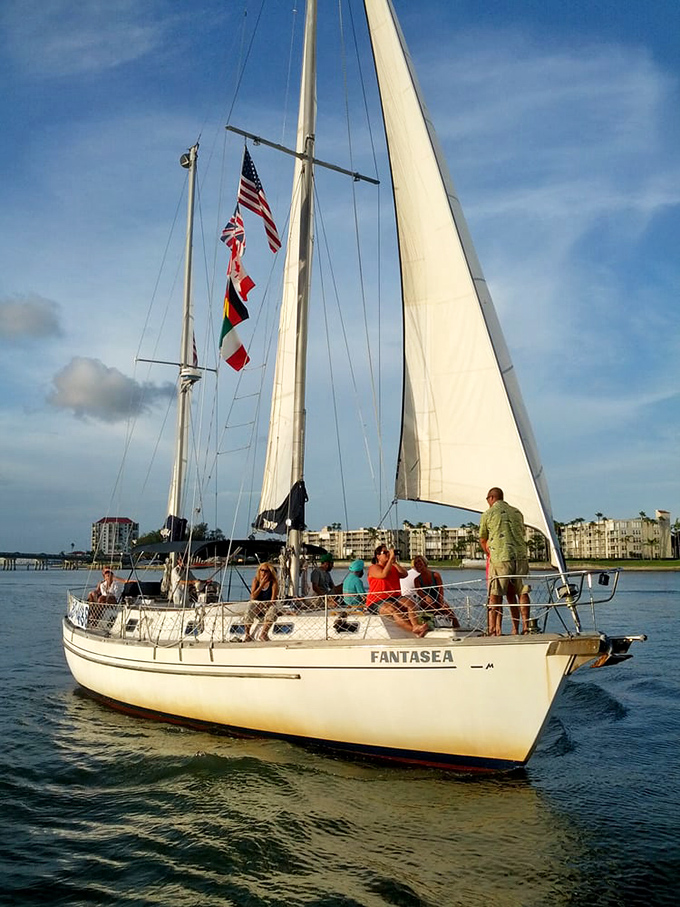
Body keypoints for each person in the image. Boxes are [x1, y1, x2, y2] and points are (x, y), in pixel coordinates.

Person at [479, 487, 531, 635]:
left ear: (491, 498)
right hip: (520, 557)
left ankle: (493, 629)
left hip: (500, 557)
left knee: (495, 594)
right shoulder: (517, 512)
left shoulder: (488, 514)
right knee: (522, 592)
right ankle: (525, 627)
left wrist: (489, 553)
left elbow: (482, 539)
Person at [367, 545, 427, 637]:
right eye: (385, 552)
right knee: (393, 609)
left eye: (388, 552)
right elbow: (383, 575)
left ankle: (416, 625)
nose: (388, 554)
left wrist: (394, 563)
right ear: (378, 556)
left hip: (394, 596)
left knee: (410, 604)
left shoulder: (392, 567)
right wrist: (390, 560)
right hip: (377, 600)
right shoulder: (374, 568)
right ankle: (413, 630)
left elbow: (404, 574)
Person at [412, 555, 460, 627]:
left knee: (447, 609)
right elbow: (419, 592)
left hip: (437, 598)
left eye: (419, 561)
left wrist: (440, 601)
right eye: (415, 563)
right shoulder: (417, 580)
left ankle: (457, 627)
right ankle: (437, 625)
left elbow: (440, 589)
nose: (417, 564)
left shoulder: (435, 575)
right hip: (425, 600)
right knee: (430, 606)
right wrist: (426, 597)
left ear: (424, 563)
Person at [244, 563, 279, 641]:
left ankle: (263, 634)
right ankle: (247, 634)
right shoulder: (256, 580)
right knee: (250, 606)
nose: (263, 573)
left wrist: (265, 605)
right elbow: (252, 597)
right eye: (262, 570)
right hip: (257, 604)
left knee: (272, 609)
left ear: (270, 572)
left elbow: (273, 600)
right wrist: (261, 585)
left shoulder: (273, 582)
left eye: (266, 571)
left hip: (267, 605)